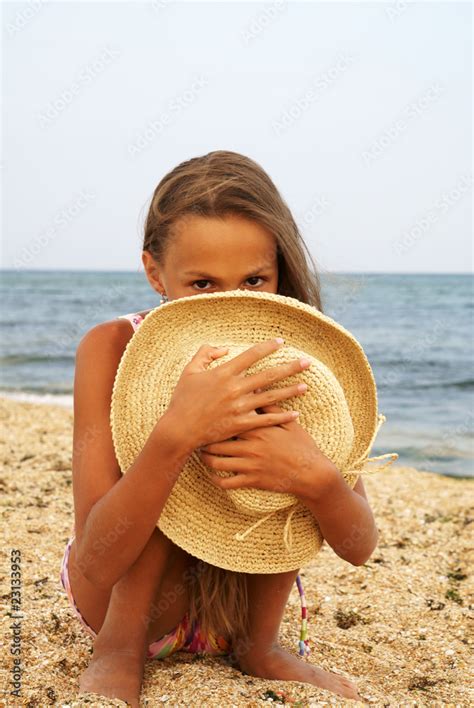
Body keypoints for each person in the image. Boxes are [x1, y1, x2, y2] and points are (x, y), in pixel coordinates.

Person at [61, 150, 377, 705]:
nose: (231, 302)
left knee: (292, 450)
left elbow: (357, 546)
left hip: (234, 616)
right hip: (117, 606)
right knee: (173, 458)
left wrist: (316, 478)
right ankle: (118, 652)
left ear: (280, 271)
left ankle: (262, 647)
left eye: (254, 279)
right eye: (203, 283)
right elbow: (95, 560)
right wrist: (175, 436)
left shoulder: (303, 361)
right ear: (155, 272)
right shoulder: (112, 348)